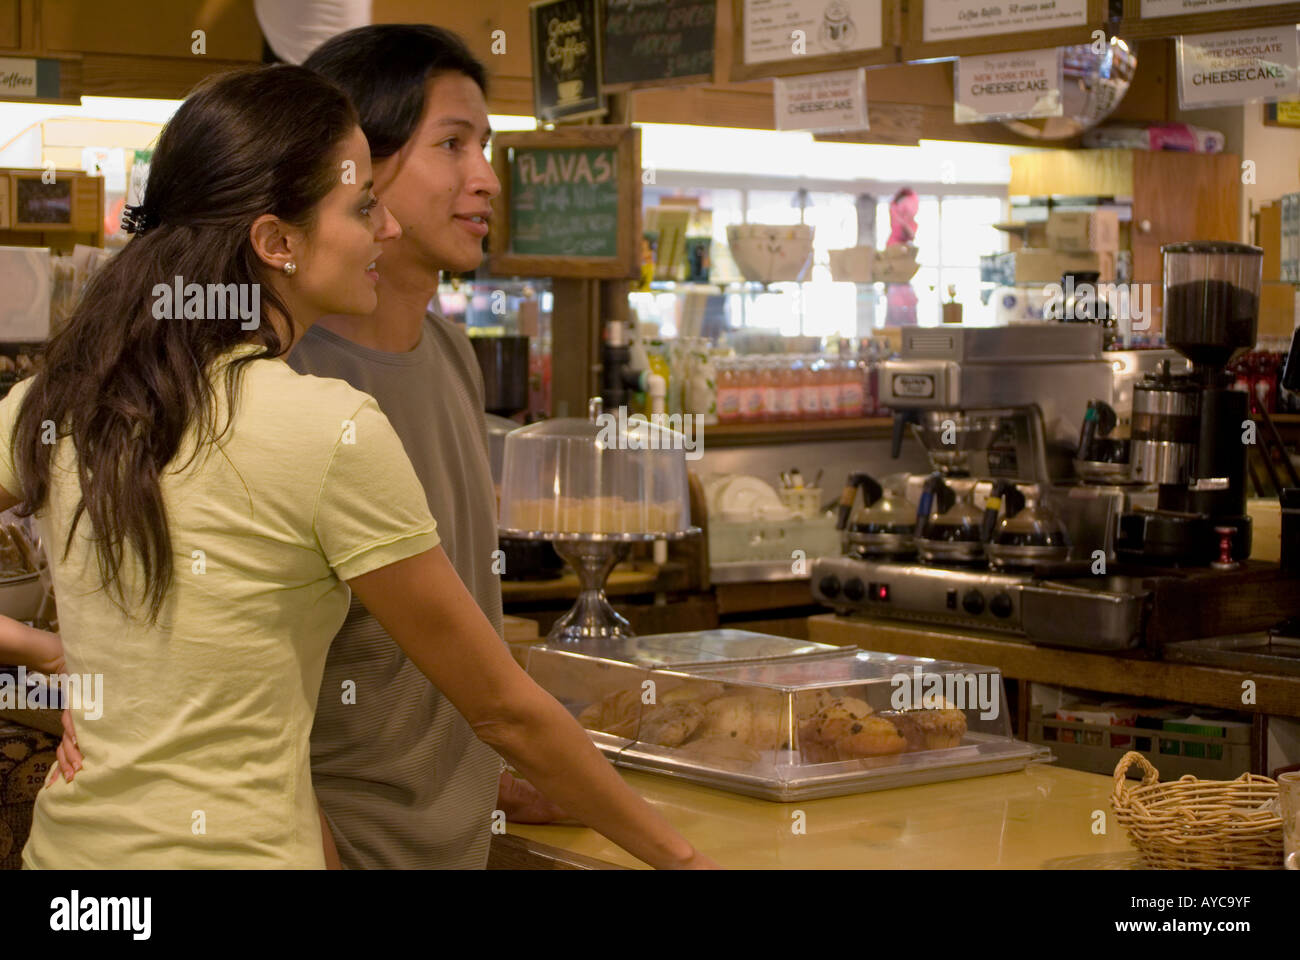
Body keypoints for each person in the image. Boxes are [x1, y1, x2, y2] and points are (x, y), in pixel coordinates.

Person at [11, 63, 712, 869]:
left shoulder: (69, 396)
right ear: (276, 242)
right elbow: (505, 712)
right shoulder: (327, 427)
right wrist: (684, 861)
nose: (383, 230)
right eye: (361, 208)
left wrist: (46, 658)